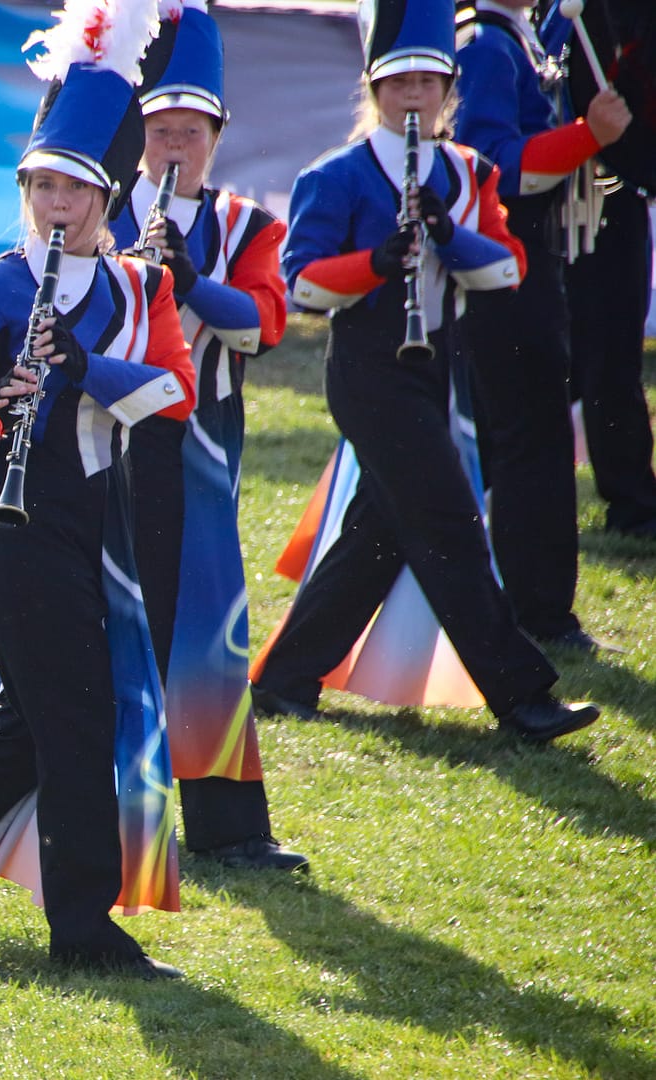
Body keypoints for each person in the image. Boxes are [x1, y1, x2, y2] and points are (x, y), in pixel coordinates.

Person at [249, 0, 600, 744]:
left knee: (381, 533)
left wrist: (451, 234)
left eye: (427, 83)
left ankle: (284, 678)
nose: (414, 97)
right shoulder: (337, 175)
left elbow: (505, 269)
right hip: (369, 366)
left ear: (448, 92)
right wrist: (377, 263)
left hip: (436, 360)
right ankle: (521, 693)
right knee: (450, 522)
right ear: (375, 91)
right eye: (399, 83)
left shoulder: (468, 170)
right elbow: (304, 284)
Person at [0, 0, 196, 979]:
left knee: (24, 729)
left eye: (72, 188)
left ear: (105, 196)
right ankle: (84, 929)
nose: (54, 203)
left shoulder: (141, 291)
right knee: (77, 715)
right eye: (41, 184)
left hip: (101, 527)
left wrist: (83, 366)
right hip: (13, 524)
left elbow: (170, 397)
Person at [110, 0, 307, 873]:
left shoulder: (248, 226)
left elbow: (267, 323)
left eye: (192, 131)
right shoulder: (103, 214)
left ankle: (229, 828)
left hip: (201, 443)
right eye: (160, 130)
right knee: (109, 616)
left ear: (218, 136)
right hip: (111, 443)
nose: (175, 147)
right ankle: (99, 812)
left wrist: (192, 281)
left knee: (209, 620)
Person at [454, 0, 631, 651]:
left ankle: (535, 607)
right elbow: (494, 169)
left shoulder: (519, 37)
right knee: (534, 438)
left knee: (531, 434)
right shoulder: (487, 48)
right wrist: (590, 136)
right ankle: (540, 615)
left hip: (531, 255)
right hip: (508, 259)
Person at [558, 0, 656, 542]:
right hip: (555, 196)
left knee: (612, 357)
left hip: (615, 192)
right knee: (586, 359)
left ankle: (632, 500)